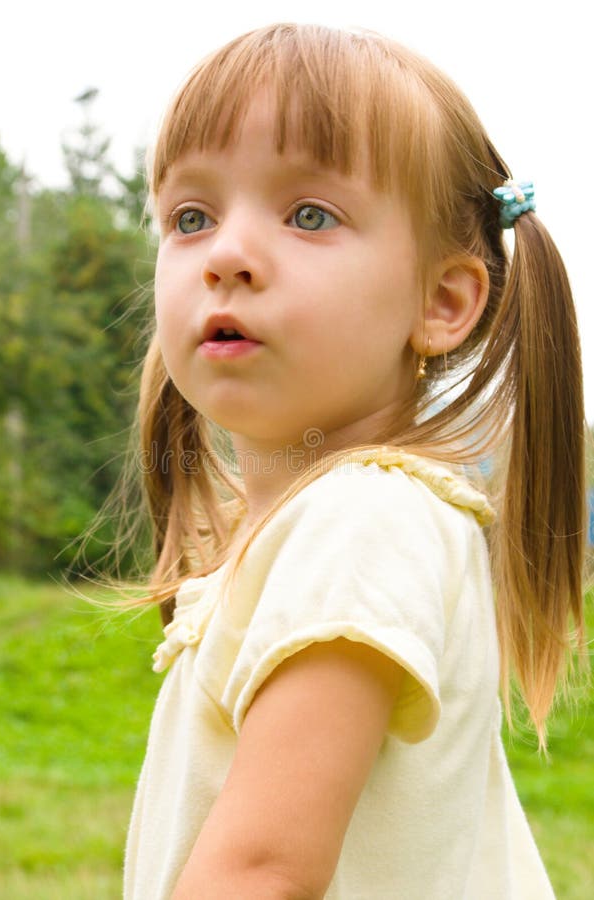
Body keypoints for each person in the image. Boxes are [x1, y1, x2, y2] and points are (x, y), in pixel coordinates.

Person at [121, 23, 586, 899]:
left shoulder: (364, 518)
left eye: (309, 215)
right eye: (192, 217)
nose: (225, 256)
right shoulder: (316, 522)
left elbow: (263, 872)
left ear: (442, 301)